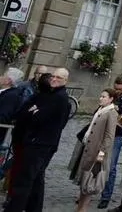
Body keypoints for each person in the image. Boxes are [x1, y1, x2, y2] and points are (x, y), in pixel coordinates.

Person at [6, 67, 72, 212]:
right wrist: (34, 112)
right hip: (37, 142)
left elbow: (39, 118)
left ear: (65, 81)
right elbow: (25, 112)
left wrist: (35, 112)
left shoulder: (60, 98)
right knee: (35, 179)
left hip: (40, 144)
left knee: (26, 179)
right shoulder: (49, 94)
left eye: (58, 78)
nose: (54, 79)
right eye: (53, 76)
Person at [73, 88, 119, 212]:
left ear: (111, 99)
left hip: (97, 152)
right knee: (84, 181)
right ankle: (79, 207)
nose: (101, 98)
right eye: (101, 96)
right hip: (88, 149)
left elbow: (109, 136)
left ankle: (83, 209)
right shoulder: (100, 109)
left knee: (90, 183)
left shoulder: (111, 113)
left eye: (104, 97)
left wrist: (102, 152)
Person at [99, 76, 122, 209]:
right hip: (102, 133)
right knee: (97, 162)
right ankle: (90, 189)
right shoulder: (109, 95)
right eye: (115, 88)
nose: (116, 91)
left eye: (119, 89)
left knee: (111, 166)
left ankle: (106, 196)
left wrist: (117, 110)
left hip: (117, 135)